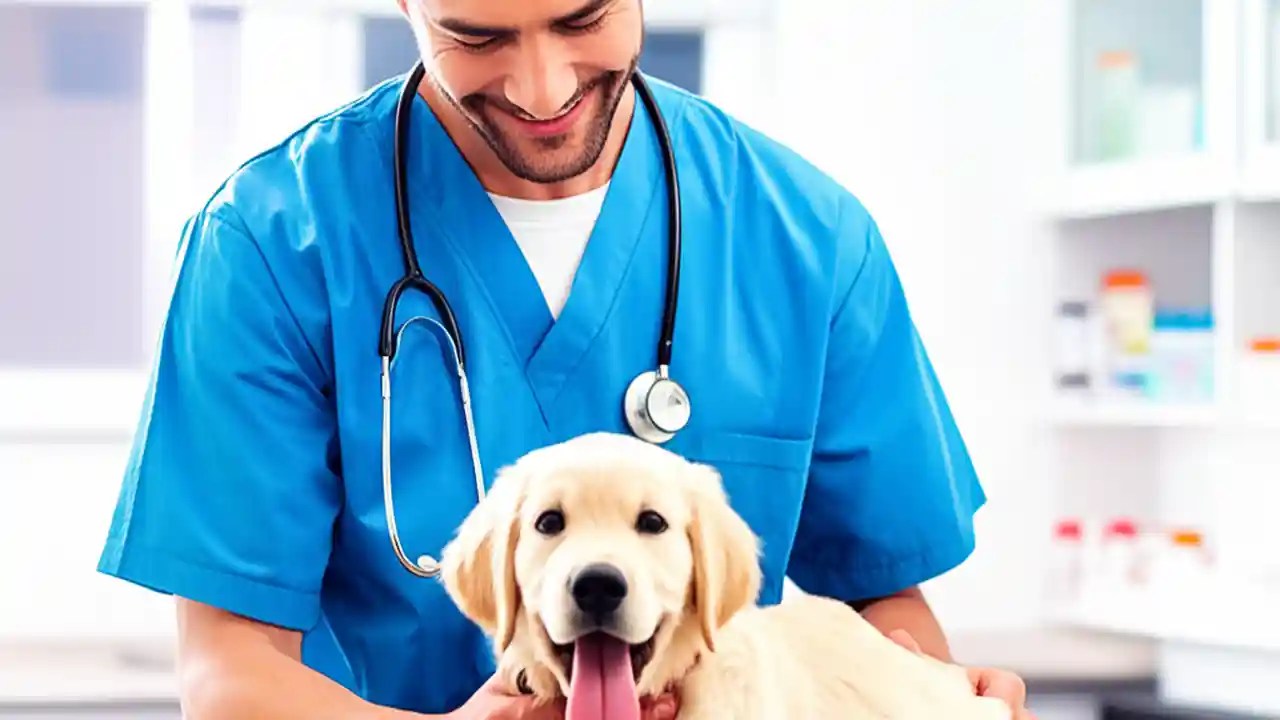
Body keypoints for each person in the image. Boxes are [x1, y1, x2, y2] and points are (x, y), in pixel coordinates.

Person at [96, 0, 1035, 718]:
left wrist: (932, 693)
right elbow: (229, 672)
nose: (541, 89)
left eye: (582, 18)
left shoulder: (806, 238)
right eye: (477, 35)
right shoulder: (269, 242)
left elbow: (885, 610)